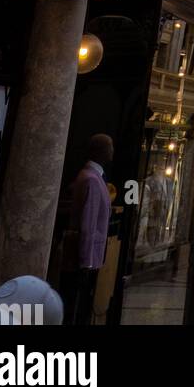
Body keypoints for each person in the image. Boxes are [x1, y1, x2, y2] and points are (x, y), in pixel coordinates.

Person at [62, 134, 113, 325]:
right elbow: (88, 223)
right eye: (110, 147)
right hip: (85, 258)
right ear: (100, 151)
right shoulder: (91, 179)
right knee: (77, 305)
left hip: (88, 257)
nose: (112, 151)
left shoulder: (91, 176)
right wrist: (86, 261)